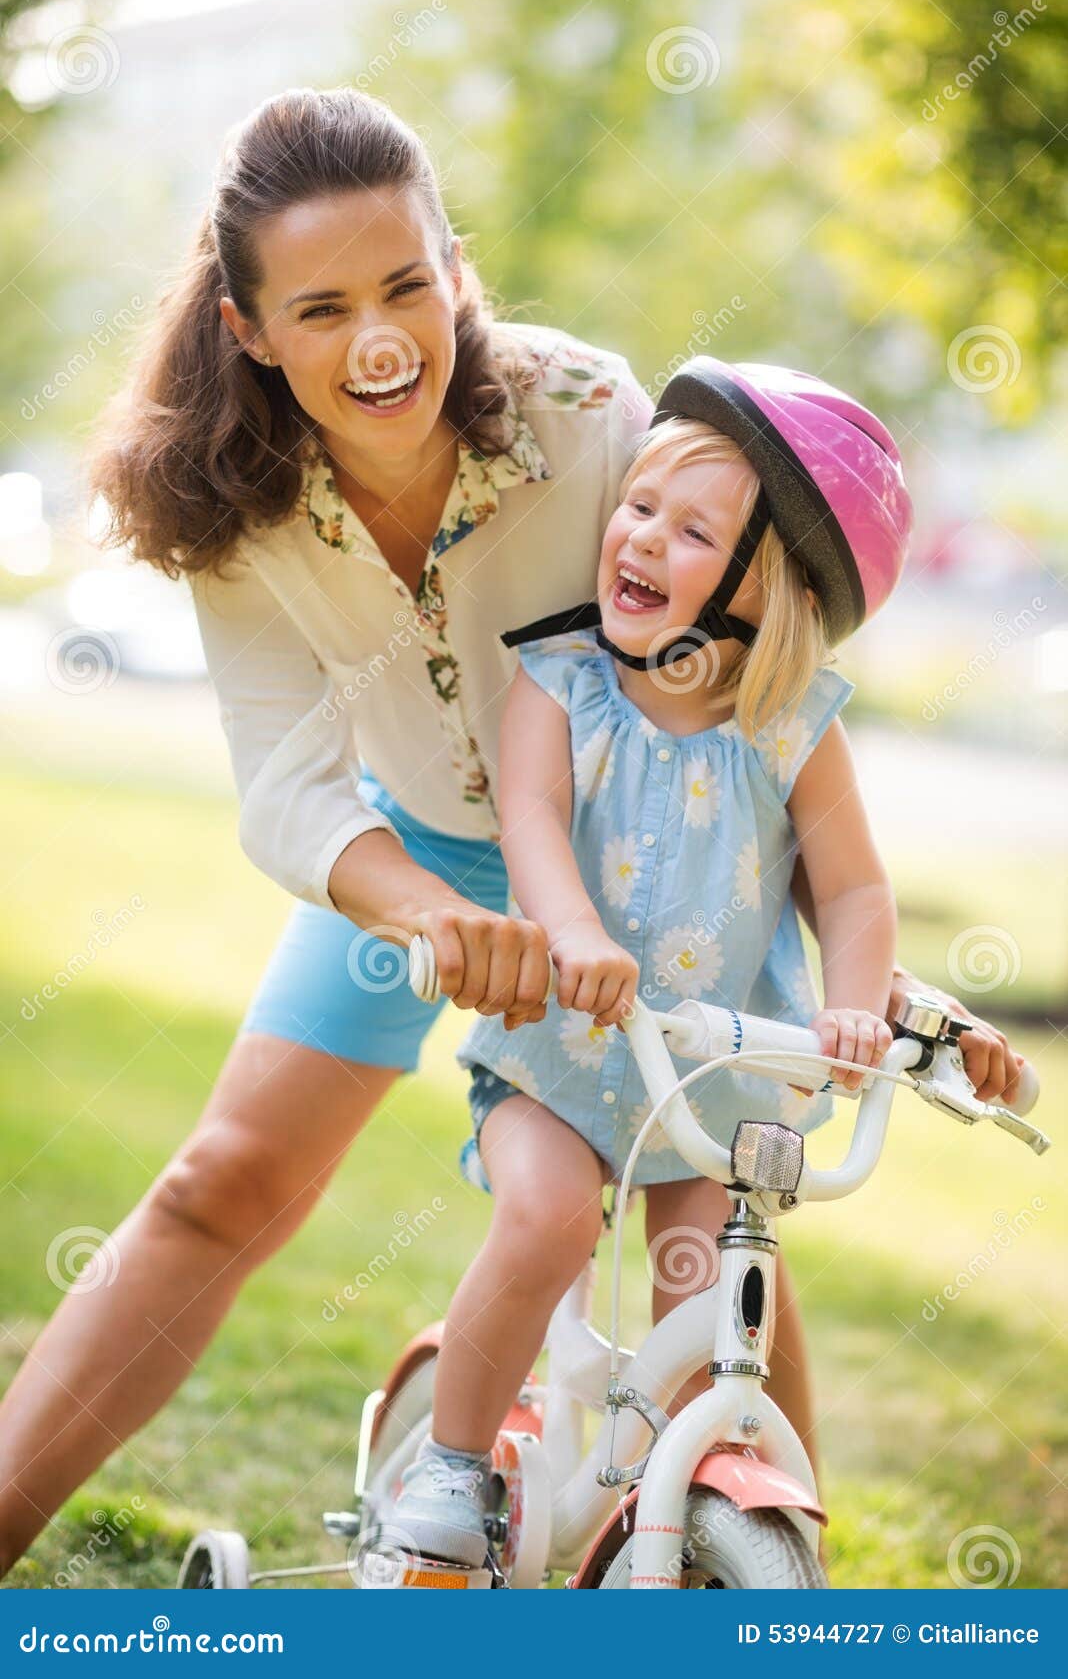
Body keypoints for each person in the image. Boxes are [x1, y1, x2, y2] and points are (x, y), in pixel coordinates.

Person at [0, 90, 1025, 1577]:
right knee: (222, 1179)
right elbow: (287, 780)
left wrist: (875, 996)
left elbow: (740, 693)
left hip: (637, 874)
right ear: (249, 328)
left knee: (717, 1199)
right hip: (414, 862)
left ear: (458, 270)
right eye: (324, 305)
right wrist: (425, 909)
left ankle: (789, 1582)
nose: (381, 340)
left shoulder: (588, 415)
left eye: (410, 284)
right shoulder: (237, 503)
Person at [386, 358, 959, 1566]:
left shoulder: (789, 726)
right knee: (545, 1219)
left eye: (692, 529)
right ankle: (447, 1471)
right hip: (559, 1052)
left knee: (700, 1297)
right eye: (639, 505)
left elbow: (852, 886)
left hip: (704, 1083)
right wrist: (575, 934)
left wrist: (853, 1014)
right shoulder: (566, 683)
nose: (638, 536)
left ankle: (662, 1523)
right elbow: (533, 819)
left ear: (771, 591)